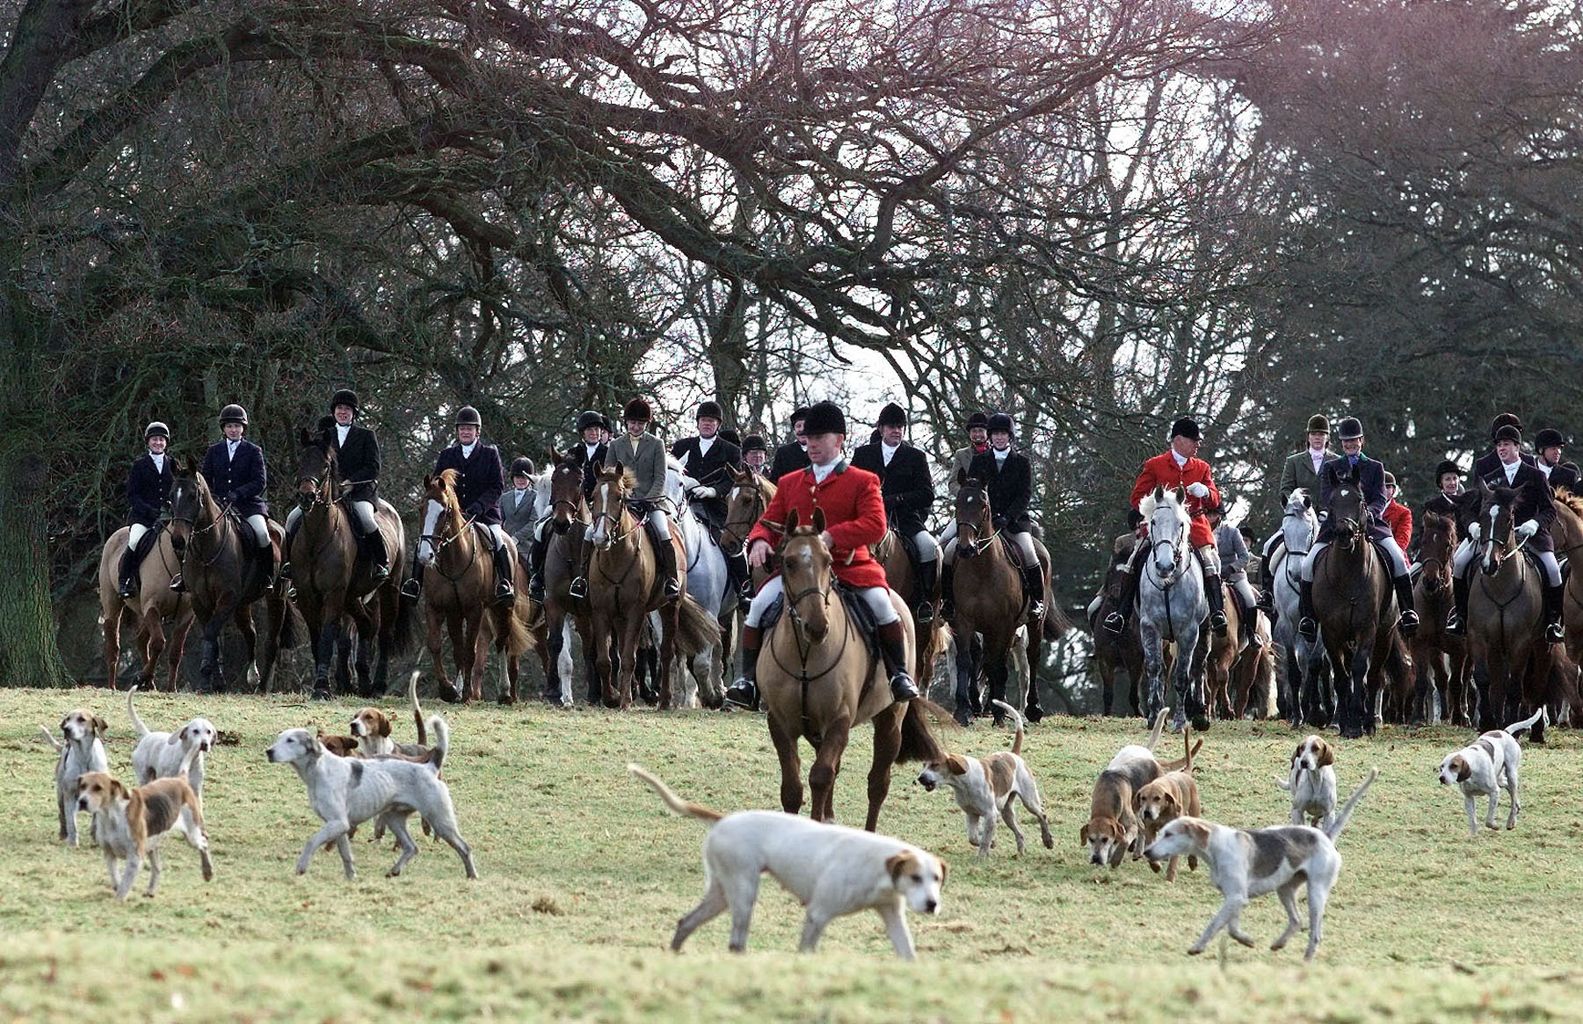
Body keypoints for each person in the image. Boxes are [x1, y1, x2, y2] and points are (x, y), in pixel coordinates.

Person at [724, 401, 920, 709]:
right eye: (809, 438)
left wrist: (831, 536)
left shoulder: (863, 480)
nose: (812, 443)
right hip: (801, 572)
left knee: (884, 607)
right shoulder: (790, 482)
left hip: (849, 567)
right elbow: (768, 522)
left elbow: (875, 524)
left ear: (839, 440)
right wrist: (759, 540)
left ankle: (899, 675)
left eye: (820, 437)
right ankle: (746, 681)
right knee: (758, 607)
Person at [1296, 416, 1418, 640]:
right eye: (1345, 442)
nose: (1349, 445)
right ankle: (1309, 618)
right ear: (1341, 443)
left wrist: (1370, 513)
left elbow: (1380, 498)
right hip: (1337, 525)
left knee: (1398, 560)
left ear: (1361, 440)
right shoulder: (1331, 467)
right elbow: (1325, 496)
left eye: (1353, 441)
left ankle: (1408, 611)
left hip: (1370, 525)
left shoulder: (1374, 467)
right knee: (1307, 564)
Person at [1104, 417, 1227, 637]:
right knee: (1134, 560)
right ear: (1179, 440)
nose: (1197, 445)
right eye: (1194, 440)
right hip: (1161, 527)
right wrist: (1160, 504)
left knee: (1210, 562)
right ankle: (1121, 613)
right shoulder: (1155, 464)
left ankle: (1217, 612)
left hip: (1195, 526)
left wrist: (1206, 492)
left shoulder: (1202, 467)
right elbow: (1137, 498)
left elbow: (1215, 501)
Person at [1448, 422, 1563, 643]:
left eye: (1507, 444)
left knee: (1553, 569)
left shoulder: (1536, 475)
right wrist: (1472, 525)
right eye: (1499, 445)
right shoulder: (1488, 478)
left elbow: (1549, 510)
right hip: (1493, 535)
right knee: (1460, 563)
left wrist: (1535, 523)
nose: (1502, 448)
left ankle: (1552, 623)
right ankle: (1460, 617)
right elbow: (1469, 509)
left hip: (1530, 535)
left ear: (1517, 447)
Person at [400, 405, 514, 605]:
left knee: (497, 539)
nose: (465, 431)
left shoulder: (489, 454)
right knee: (425, 539)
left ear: (477, 431)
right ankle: (415, 583)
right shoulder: (447, 455)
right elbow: (436, 485)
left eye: (469, 428)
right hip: (450, 515)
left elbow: (497, 487)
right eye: (462, 428)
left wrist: (479, 506)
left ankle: (505, 583)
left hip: (483, 514)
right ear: (457, 431)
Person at [571, 398, 680, 602]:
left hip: (651, 502)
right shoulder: (615, 444)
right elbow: (608, 474)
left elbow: (660, 477)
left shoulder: (657, 444)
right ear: (626, 423)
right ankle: (582, 578)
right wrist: (619, 497)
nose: (635, 427)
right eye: (632, 423)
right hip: (620, 502)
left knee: (663, 532)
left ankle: (670, 578)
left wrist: (648, 499)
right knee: (590, 532)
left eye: (640, 423)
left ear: (646, 424)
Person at [281, 389, 388, 585]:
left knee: (365, 518)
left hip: (358, 492)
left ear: (354, 414)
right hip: (328, 493)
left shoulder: (366, 435)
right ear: (333, 411)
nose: (343, 412)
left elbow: (373, 468)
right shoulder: (323, 436)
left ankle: (381, 562)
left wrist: (351, 482)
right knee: (291, 519)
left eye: (347, 409)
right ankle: (288, 565)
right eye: (339, 408)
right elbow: (314, 464)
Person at [947, 412, 1045, 622]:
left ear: (1010, 437)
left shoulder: (1022, 462)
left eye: (1003, 434)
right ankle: (948, 602)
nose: (999, 438)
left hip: (1014, 521)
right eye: (996, 434)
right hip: (981, 521)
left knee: (1030, 553)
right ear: (990, 437)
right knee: (948, 552)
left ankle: (1037, 602)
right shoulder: (980, 460)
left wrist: (1008, 517)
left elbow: (1024, 494)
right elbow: (972, 490)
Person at [851, 402, 940, 623]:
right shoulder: (863, 455)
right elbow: (849, 487)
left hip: (905, 520)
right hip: (868, 518)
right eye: (892, 426)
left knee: (929, 548)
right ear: (881, 429)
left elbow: (927, 494)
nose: (896, 431)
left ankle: (923, 601)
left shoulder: (915, 457)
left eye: (900, 426)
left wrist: (897, 499)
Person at [175, 403, 272, 592]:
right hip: (218, 505)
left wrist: (238, 493)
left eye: (237, 426)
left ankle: (266, 575)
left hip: (247, 505)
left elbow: (260, 482)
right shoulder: (214, 451)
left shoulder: (253, 451)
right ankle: (186, 577)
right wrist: (216, 498)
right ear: (224, 429)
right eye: (229, 426)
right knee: (192, 534)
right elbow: (205, 480)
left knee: (262, 534)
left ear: (243, 428)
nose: (233, 430)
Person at [671, 400, 746, 606]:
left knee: (729, 543)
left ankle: (743, 588)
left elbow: (731, 479)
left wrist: (713, 491)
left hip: (715, 509)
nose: (707, 424)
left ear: (718, 425)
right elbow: (670, 471)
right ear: (697, 423)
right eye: (704, 420)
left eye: (711, 421)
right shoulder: (682, 446)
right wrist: (687, 483)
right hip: (684, 504)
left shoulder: (731, 451)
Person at [530, 411, 607, 601]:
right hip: (570, 502)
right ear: (583, 433)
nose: (594, 433)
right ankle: (538, 577)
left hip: (598, 502)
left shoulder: (608, 452)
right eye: (590, 430)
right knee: (541, 528)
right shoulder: (574, 452)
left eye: (597, 429)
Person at [1259, 414, 1334, 602]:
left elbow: (1339, 490)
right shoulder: (1294, 461)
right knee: (1269, 547)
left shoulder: (1336, 461)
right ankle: (1267, 593)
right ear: (1308, 437)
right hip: (1299, 518)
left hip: (1327, 520)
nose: (1317, 437)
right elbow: (1285, 489)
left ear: (1327, 438)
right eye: (1314, 434)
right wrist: (1296, 503)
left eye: (1321, 434)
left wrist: (1328, 510)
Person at [118, 421, 174, 597]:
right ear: (148, 442)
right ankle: (125, 581)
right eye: (154, 439)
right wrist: (148, 510)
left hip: (168, 517)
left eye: (161, 440)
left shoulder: (173, 464)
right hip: (143, 517)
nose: (158, 443)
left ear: (166, 442)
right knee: (134, 541)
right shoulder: (140, 465)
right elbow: (132, 495)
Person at [1207, 501, 1262, 649]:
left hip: (1233, 575)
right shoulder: (1200, 531)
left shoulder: (1232, 532)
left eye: (1214, 514)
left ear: (1220, 515)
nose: (1210, 517)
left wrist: (1231, 568)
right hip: (1209, 575)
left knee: (1250, 600)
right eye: (1208, 514)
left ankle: (1252, 634)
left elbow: (1244, 556)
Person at [501, 456, 538, 572]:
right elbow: (499, 520)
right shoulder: (504, 497)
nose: (521, 480)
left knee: (533, 568)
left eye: (524, 477)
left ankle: (536, 587)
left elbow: (534, 522)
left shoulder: (535, 496)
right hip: (505, 543)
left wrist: (516, 538)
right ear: (513, 478)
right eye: (518, 477)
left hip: (526, 545)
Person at [769, 406, 812, 480]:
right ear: (794, 430)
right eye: (798, 426)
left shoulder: (822, 450)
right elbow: (775, 482)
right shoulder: (783, 453)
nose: (802, 429)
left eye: (805, 426)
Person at [1534, 428, 1580, 492]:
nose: (1558, 452)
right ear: (1540, 450)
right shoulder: (1525, 470)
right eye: (1553, 448)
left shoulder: (1569, 476)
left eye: (1560, 448)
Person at [1382, 472, 1413, 554]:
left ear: (1394, 490)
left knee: (1399, 562)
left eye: (1387, 487)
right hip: (1368, 549)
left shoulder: (1403, 512)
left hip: (1392, 549)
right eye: (1381, 487)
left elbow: (1403, 537)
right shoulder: (1367, 508)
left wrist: (1395, 551)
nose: (1384, 490)